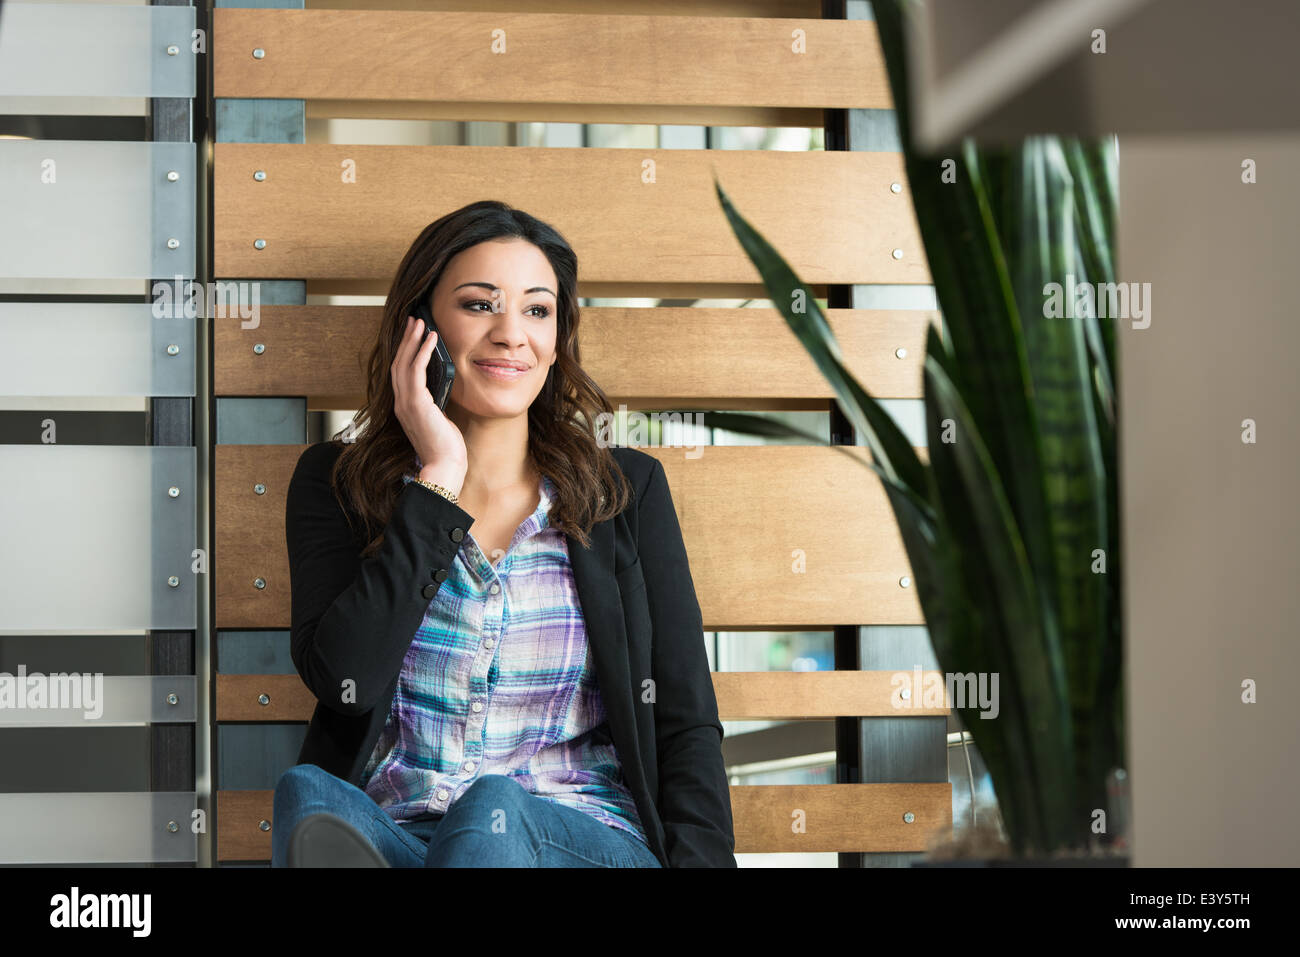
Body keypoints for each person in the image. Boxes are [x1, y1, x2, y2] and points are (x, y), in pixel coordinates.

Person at [271, 200, 735, 867]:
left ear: (557, 337)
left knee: (492, 812)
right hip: (409, 837)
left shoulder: (624, 494)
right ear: (420, 326)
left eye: (537, 309)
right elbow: (346, 677)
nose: (512, 334)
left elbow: (685, 719)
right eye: (480, 305)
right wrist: (438, 479)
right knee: (308, 794)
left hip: (576, 838)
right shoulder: (335, 485)